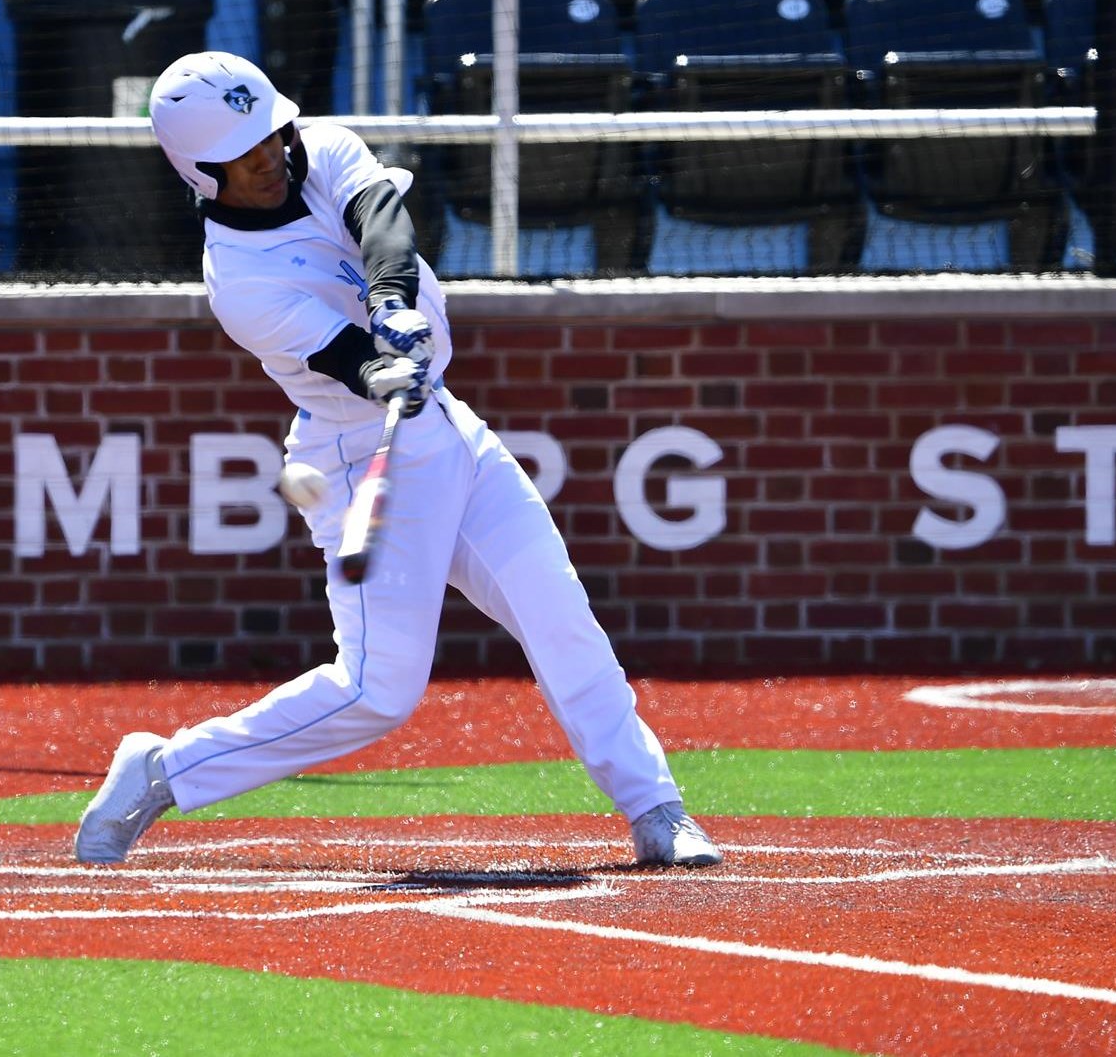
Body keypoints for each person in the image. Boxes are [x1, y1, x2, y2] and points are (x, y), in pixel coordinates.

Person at [73, 52, 723, 869]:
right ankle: (164, 768)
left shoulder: (325, 148)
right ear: (199, 173)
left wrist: (390, 300)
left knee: (559, 615)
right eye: (242, 154)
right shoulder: (237, 280)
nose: (269, 157)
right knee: (376, 690)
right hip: (355, 451)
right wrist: (384, 365)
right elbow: (350, 362)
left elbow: (381, 217)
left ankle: (656, 807)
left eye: (269, 135)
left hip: (450, 431)